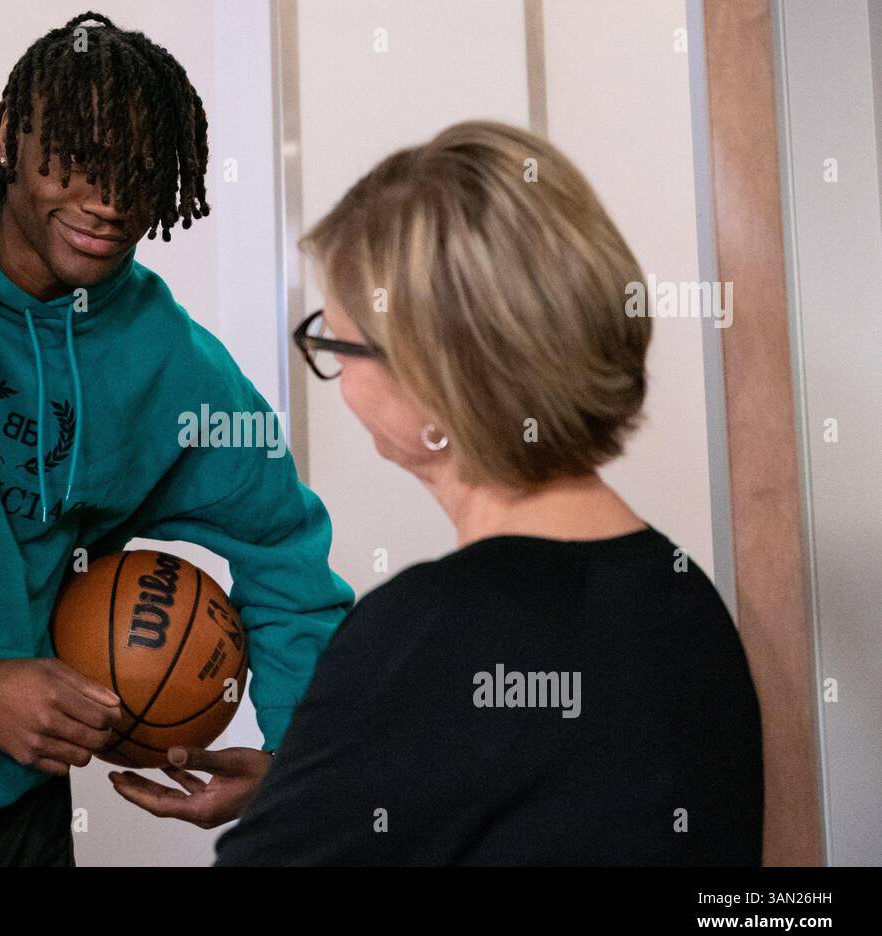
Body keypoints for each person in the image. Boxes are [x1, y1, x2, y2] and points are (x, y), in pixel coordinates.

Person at [214, 120, 764, 865]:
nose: (337, 375)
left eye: (339, 345)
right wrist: (319, 786)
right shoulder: (689, 602)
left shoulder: (422, 638)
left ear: (435, 381)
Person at [0, 11, 353, 866]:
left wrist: (296, 766)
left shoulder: (170, 366)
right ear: (11, 136)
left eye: (141, 173)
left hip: (12, 795)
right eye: (79, 157)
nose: (110, 200)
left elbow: (286, 552)